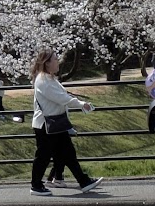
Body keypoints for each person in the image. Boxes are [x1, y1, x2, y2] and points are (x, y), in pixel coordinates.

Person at [29, 47, 102, 196]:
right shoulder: (43, 80)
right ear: (47, 63)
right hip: (45, 125)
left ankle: (83, 181)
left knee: (68, 153)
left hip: (56, 123)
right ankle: (36, 185)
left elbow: (61, 98)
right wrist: (81, 104)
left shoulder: (49, 78)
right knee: (43, 156)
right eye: (55, 59)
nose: (58, 62)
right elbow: (62, 99)